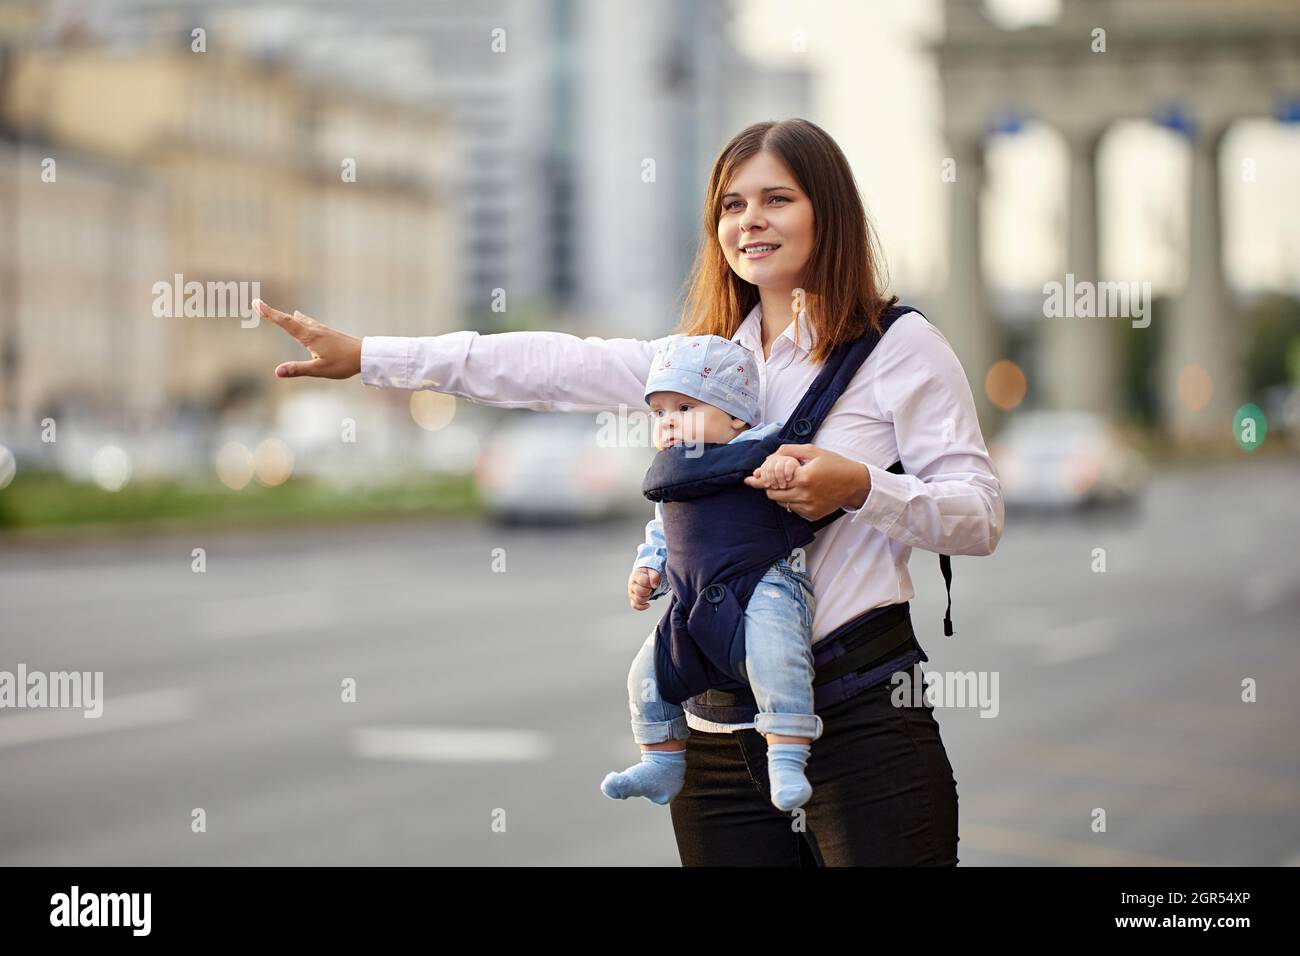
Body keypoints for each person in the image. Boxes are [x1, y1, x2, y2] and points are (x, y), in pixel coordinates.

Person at [256, 117, 1003, 866]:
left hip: (862, 721)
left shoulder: (899, 347)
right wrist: (368, 356)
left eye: (777, 199)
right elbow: (551, 367)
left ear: (829, 212)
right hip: (713, 740)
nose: (751, 222)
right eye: (732, 205)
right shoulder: (697, 361)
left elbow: (979, 516)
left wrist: (861, 487)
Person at [604, 333, 822, 812]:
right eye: (659, 413)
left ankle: (786, 755)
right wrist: (648, 569)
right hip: (692, 598)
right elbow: (662, 530)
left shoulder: (762, 445)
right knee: (647, 674)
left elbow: (795, 462)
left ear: (736, 416)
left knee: (776, 658)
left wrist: (785, 468)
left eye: (685, 409)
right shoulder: (674, 473)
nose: (669, 424)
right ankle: (661, 759)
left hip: (764, 583)